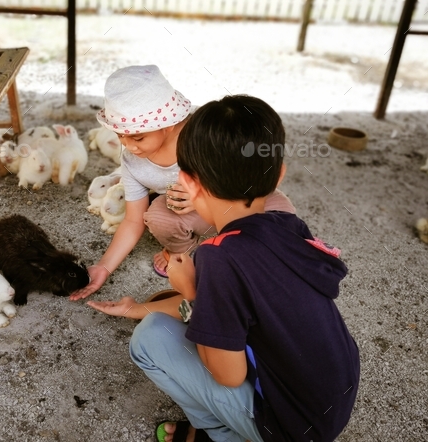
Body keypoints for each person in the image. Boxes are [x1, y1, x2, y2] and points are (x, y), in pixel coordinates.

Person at [87, 95, 360, 442]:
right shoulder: (285, 224)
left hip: (292, 428)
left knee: (150, 338)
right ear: (278, 174)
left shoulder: (219, 259)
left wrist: (188, 292)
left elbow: (227, 375)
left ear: (187, 182)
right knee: (162, 319)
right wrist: (136, 308)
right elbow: (225, 304)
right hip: (333, 397)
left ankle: (217, 434)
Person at [70, 66, 294, 301]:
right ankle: (181, 252)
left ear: (167, 124)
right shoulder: (132, 161)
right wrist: (103, 267)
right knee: (157, 216)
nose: (128, 145)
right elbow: (134, 219)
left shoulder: (203, 134)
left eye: (137, 137)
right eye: (119, 135)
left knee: (283, 214)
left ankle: (242, 243)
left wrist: (203, 194)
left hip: (238, 202)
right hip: (194, 215)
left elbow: (246, 172)